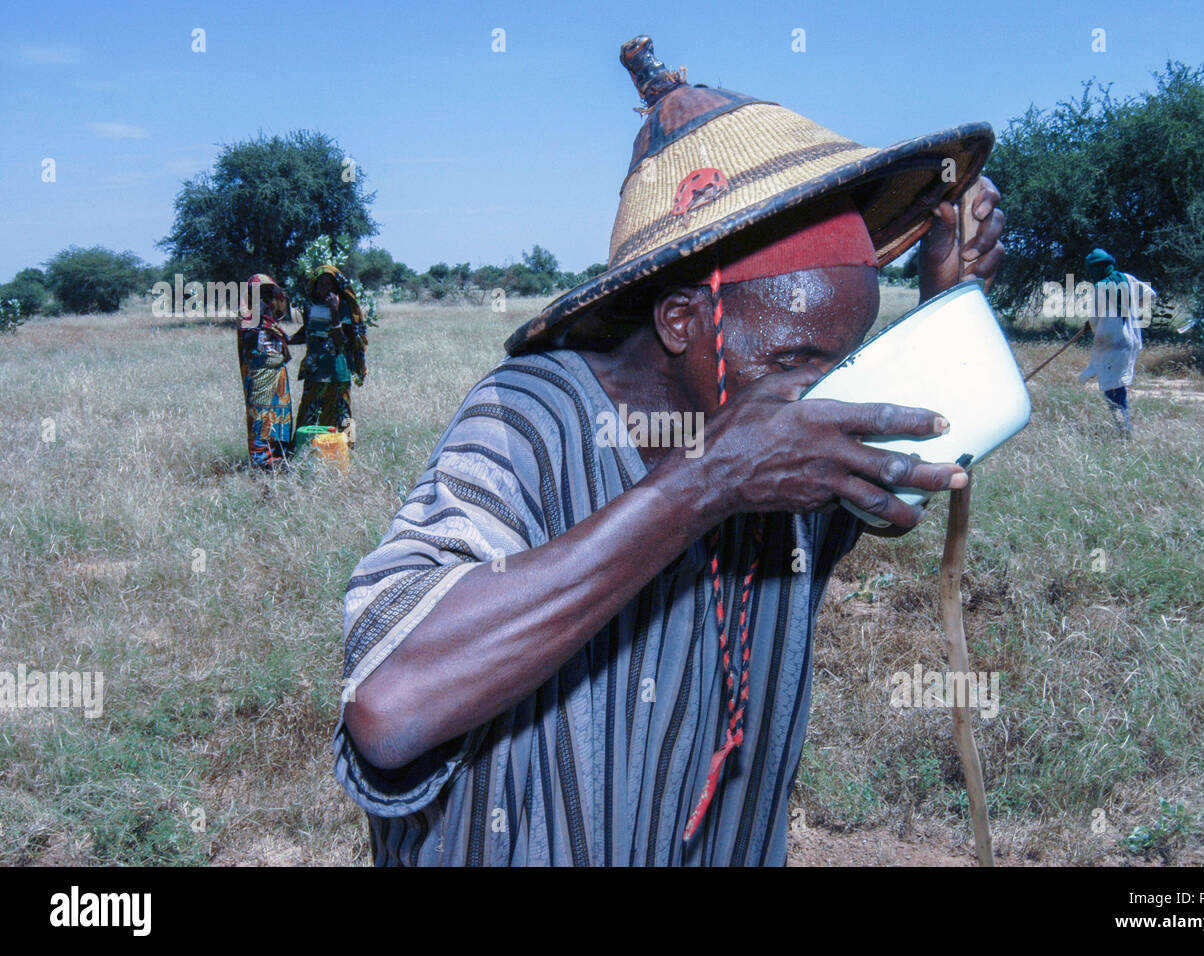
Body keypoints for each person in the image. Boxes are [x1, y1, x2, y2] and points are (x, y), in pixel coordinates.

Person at [334, 36, 1005, 866]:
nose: (818, 399)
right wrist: (707, 481)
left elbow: (912, 452)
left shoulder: (778, 439)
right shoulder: (534, 417)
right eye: (796, 361)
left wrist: (947, 300)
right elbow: (391, 703)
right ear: (683, 321)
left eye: (848, 358)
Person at [290, 263, 366, 444]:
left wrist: (334, 311)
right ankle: (304, 447)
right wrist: (287, 339)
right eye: (321, 284)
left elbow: (341, 341)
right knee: (308, 410)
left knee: (342, 412)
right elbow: (307, 332)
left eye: (329, 284)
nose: (325, 288)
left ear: (336, 286)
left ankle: (346, 449)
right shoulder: (310, 307)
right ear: (315, 287)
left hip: (337, 370)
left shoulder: (343, 308)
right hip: (315, 369)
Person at [1078, 248, 1145, 438]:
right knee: (1118, 386)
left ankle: (1125, 432)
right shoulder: (1128, 279)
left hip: (1112, 344)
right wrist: (1132, 311)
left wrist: (1089, 325)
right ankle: (1124, 430)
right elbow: (1150, 295)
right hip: (1130, 340)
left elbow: (1096, 320)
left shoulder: (1100, 287)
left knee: (1113, 390)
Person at [237, 274, 294, 468]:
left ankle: (279, 457)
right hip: (260, 372)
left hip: (278, 372)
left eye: (268, 292)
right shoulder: (247, 316)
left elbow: (284, 337)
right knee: (260, 416)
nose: (264, 298)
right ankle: (261, 461)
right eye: (259, 293)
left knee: (280, 414)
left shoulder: (271, 317)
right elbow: (248, 345)